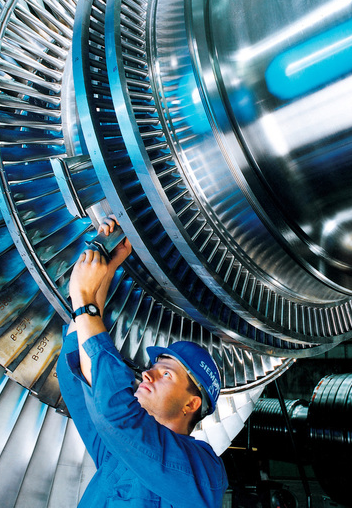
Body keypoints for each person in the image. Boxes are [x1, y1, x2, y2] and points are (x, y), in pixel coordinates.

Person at [57, 216, 228, 508]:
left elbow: (116, 413)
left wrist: (84, 300)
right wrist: (106, 273)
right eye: (153, 369)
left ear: (191, 404)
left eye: (166, 374)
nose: (148, 375)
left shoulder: (203, 473)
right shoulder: (118, 453)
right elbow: (76, 378)